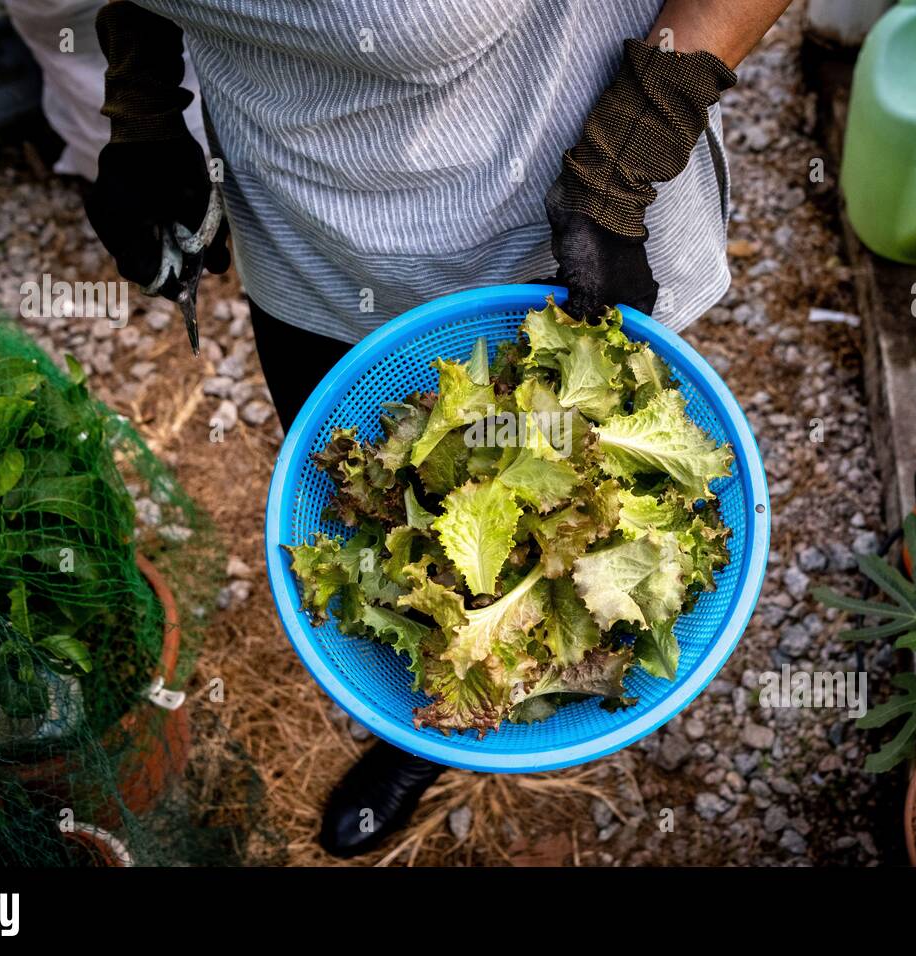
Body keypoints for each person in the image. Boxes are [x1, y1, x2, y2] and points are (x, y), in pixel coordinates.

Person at [85, 0, 792, 858]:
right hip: (306, 238)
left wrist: (636, 142)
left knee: (591, 460)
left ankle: (479, 695)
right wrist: (144, 108)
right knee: (378, 510)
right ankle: (437, 710)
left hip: (566, 218)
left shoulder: (609, 175)